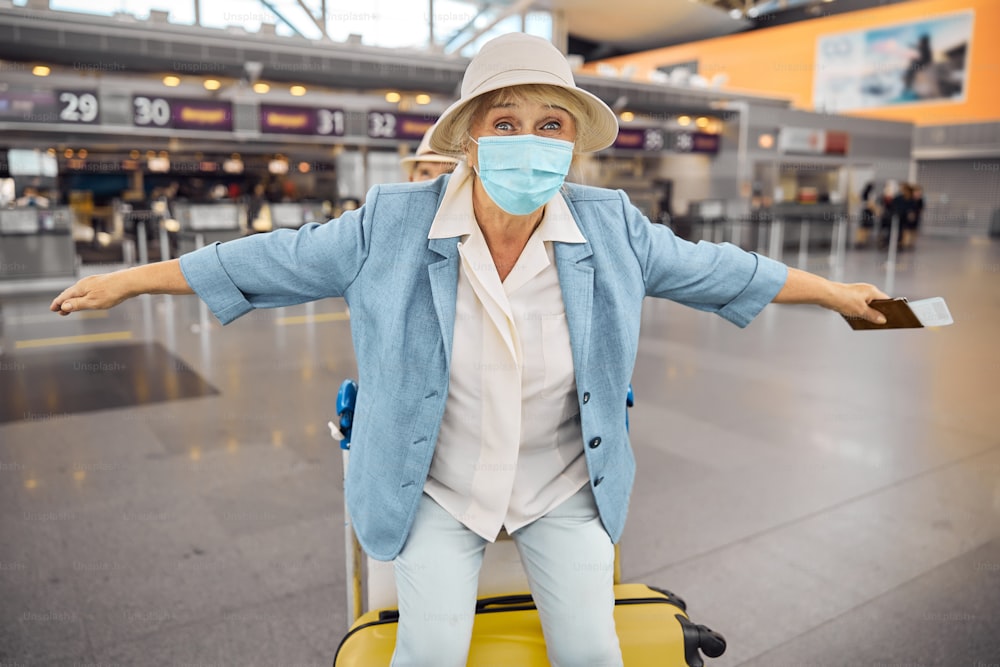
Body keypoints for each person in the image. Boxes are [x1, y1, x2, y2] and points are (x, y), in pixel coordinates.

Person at [50, 32, 888, 667]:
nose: (532, 138)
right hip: (437, 485)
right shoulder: (394, 222)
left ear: (573, 141)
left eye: (550, 122)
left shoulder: (610, 227)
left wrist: (836, 293)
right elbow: (272, 260)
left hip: (562, 483)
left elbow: (718, 270)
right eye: (507, 120)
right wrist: (133, 279)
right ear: (469, 139)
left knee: (595, 652)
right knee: (430, 654)